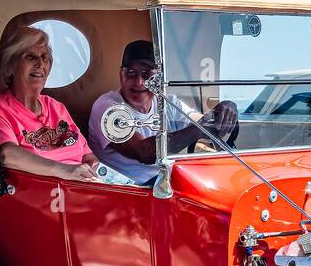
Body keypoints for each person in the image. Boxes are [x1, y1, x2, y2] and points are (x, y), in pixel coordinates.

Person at [88, 40, 239, 185]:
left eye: (147, 74)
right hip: (129, 190)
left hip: (165, 183)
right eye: (131, 73)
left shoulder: (168, 103)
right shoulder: (107, 107)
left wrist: (225, 111)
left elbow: (201, 120)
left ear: (159, 77)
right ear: (121, 75)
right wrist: (199, 130)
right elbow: (144, 152)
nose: (139, 82)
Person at [0, 26, 99, 181]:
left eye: (44, 57)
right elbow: (7, 155)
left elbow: (89, 157)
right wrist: (65, 171)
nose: (40, 64)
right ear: (10, 67)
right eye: (30, 56)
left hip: (79, 192)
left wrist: (90, 177)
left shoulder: (56, 107)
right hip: (38, 197)